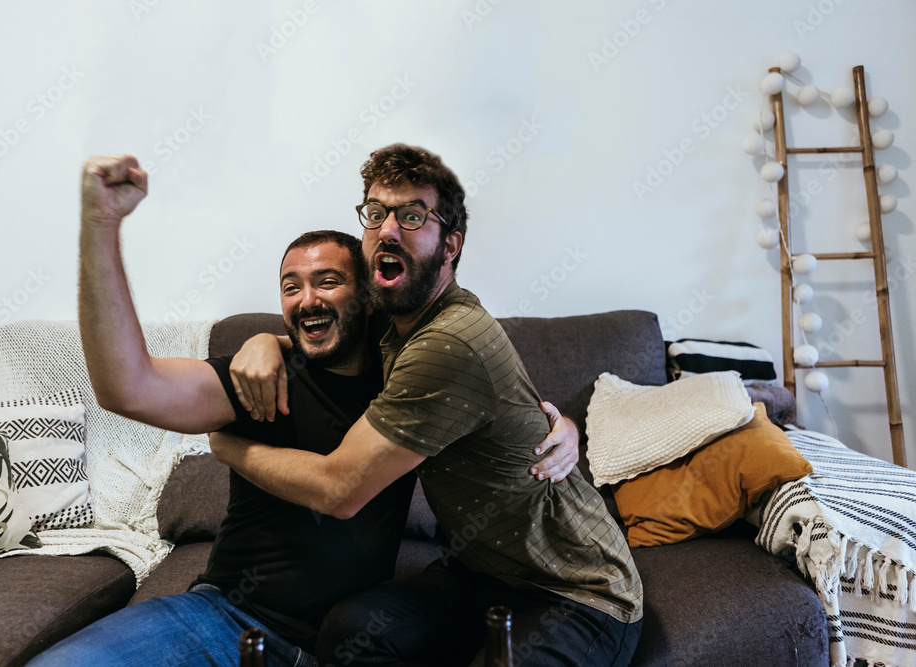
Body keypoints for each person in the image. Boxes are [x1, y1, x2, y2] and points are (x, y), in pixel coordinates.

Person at [28, 155, 576, 667]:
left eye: (328, 282)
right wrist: (101, 226)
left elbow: (503, 409)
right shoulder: (258, 380)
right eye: (291, 287)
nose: (307, 299)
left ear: (369, 297)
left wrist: (566, 427)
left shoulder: (410, 370)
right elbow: (127, 386)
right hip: (227, 621)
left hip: (355, 639)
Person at [213, 143, 644, 666]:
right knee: (350, 633)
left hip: (574, 593)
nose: (388, 230)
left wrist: (228, 446)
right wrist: (264, 341)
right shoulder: (394, 320)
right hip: (480, 573)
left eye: (413, 216)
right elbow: (326, 329)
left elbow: (339, 490)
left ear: (450, 245)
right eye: (376, 213)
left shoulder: (450, 340)